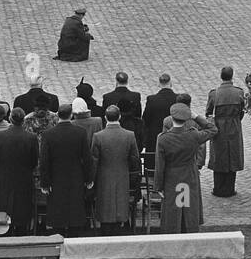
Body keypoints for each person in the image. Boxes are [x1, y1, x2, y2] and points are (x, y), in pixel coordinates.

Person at [154, 103, 216, 233]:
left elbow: (160, 165)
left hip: (172, 178)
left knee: (174, 211)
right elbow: (212, 129)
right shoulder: (193, 135)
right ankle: (189, 232)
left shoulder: (163, 139)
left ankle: (173, 234)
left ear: (172, 117)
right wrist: (196, 117)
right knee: (188, 208)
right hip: (189, 175)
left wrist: (158, 186)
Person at [39, 103, 94, 236]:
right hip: (76, 176)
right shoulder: (80, 133)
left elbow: (44, 161)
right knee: (75, 209)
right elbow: (87, 158)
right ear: (71, 115)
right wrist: (88, 179)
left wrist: (45, 182)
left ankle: (59, 238)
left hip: (56, 178)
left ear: (58, 115)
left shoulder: (48, 134)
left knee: (58, 210)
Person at [91, 104, 137, 233]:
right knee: (120, 203)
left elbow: (94, 161)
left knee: (105, 205)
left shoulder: (98, 136)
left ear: (105, 118)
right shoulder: (129, 135)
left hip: (104, 176)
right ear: (120, 117)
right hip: (122, 175)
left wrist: (91, 179)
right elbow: (134, 159)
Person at [0, 107, 38, 235]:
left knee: (4, 204)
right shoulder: (31, 137)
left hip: (4, 176)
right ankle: (21, 231)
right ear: (23, 120)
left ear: (10, 118)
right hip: (24, 177)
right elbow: (34, 160)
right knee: (22, 206)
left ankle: (4, 231)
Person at [205, 66, 245, 197]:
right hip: (234, 126)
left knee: (218, 155)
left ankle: (218, 187)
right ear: (232, 76)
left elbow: (208, 112)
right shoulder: (239, 92)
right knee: (232, 155)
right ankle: (229, 188)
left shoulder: (214, 93)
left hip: (219, 127)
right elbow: (241, 111)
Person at [142, 74, 177, 158]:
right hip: (173, 136)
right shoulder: (177, 98)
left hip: (154, 137)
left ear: (159, 84)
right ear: (171, 83)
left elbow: (145, 119)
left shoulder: (152, 99)